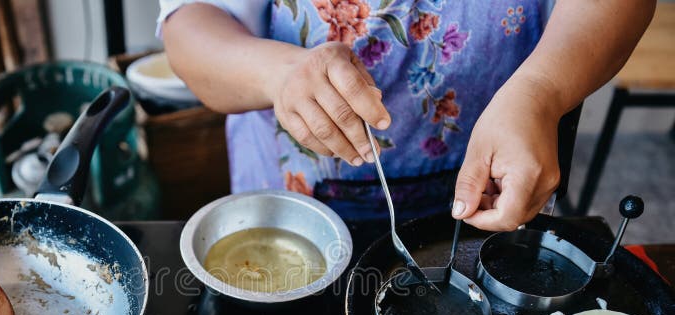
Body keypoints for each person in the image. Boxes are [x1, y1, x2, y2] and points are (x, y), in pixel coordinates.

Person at [158, 0, 654, 228]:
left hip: (499, 173)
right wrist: (278, 72)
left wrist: (541, 90)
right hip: (293, 195)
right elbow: (190, 27)